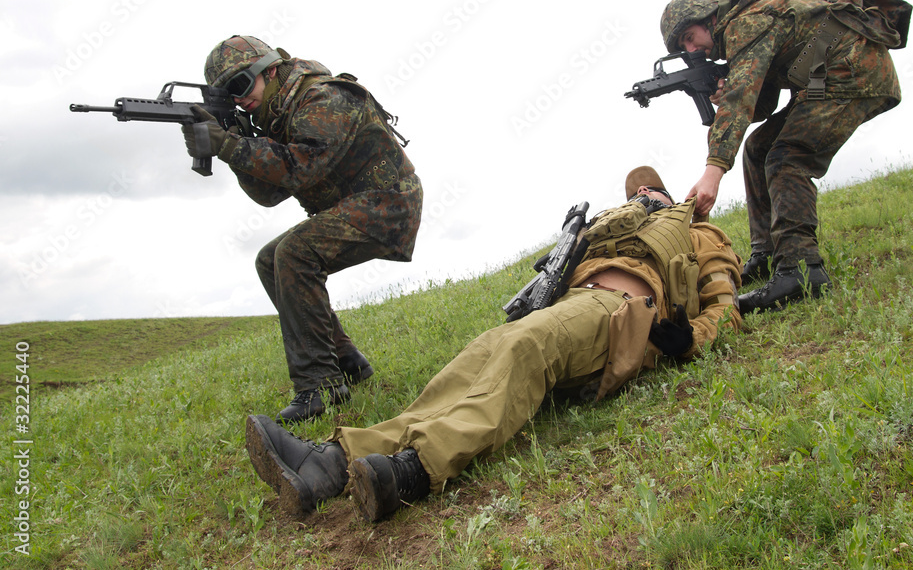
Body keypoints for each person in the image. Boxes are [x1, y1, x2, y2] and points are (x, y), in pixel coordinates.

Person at [244, 166, 742, 521]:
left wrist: (686, 340)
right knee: (474, 359)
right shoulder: (602, 233)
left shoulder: (702, 236)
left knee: (525, 345)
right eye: (639, 191)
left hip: (621, 317)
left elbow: (724, 307)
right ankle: (332, 463)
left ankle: (416, 468)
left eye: (653, 191)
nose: (644, 195)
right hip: (571, 308)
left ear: (673, 198)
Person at [183, 35, 423, 423]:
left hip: (388, 202)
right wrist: (232, 144)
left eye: (241, 86)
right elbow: (270, 192)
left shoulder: (324, 98)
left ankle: (320, 386)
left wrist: (228, 145)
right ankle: (347, 362)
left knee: (294, 254)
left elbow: (301, 166)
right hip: (356, 206)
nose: (239, 99)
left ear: (270, 70)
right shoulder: (276, 116)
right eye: (228, 95)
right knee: (269, 261)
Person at [659, 0, 909, 313]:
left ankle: (800, 270)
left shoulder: (744, 24)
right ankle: (767, 254)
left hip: (853, 74)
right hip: (826, 77)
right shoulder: (742, 27)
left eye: (690, 37)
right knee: (759, 147)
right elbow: (760, 104)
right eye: (682, 45)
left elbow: (740, 102)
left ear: (710, 19)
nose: (690, 49)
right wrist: (726, 95)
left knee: (787, 158)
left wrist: (712, 173)